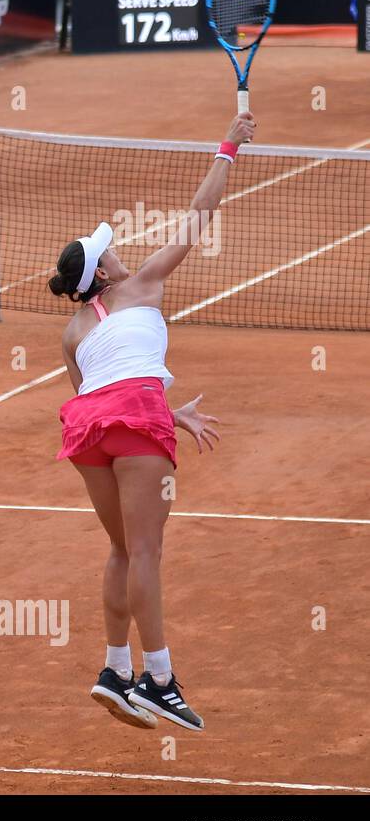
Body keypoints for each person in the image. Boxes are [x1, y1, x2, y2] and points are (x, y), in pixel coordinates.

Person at [50, 111, 256, 732]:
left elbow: (97, 398)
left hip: (88, 428)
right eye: (108, 249)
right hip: (134, 415)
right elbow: (197, 220)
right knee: (146, 550)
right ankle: (159, 679)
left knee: (120, 547)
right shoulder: (140, 285)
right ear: (105, 274)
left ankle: (114, 669)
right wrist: (230, 146)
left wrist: (171, 409)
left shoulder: (72, 331)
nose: (117, 248)